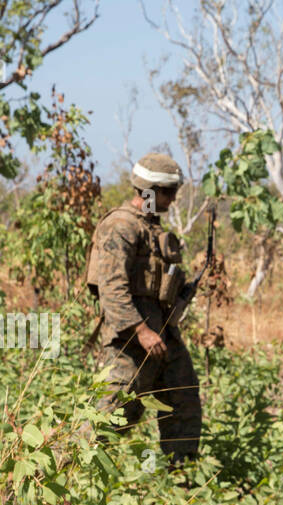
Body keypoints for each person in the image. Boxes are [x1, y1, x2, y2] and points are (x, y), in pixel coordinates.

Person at [85, 152, 202, 464]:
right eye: (169, 192)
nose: (174, 199)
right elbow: (112, 288)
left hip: (163, 336)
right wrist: (141, 331)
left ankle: (184, 479)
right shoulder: (121, 226)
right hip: (131, 341)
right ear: (149, 190)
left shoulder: (151, 227)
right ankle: (61, 476)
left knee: (184, 401)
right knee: (111, 416)